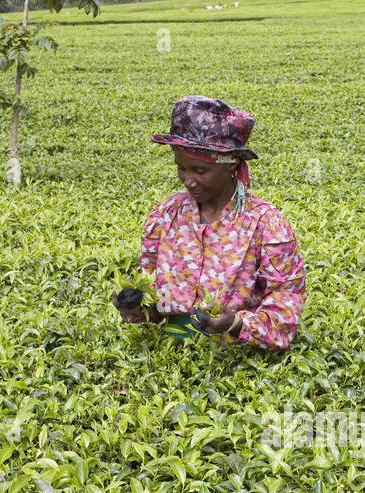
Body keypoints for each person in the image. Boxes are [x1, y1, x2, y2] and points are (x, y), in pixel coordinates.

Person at [115, 96, 306, 349]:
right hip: (171, 354)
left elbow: (286, 301)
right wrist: (135, 304)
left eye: (199, 171)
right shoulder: (166, 214)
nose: (188, 180)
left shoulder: (265, 223)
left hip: (235, 361)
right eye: (181, 168)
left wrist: (235, 324)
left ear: (230, 166)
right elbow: (153, 296)